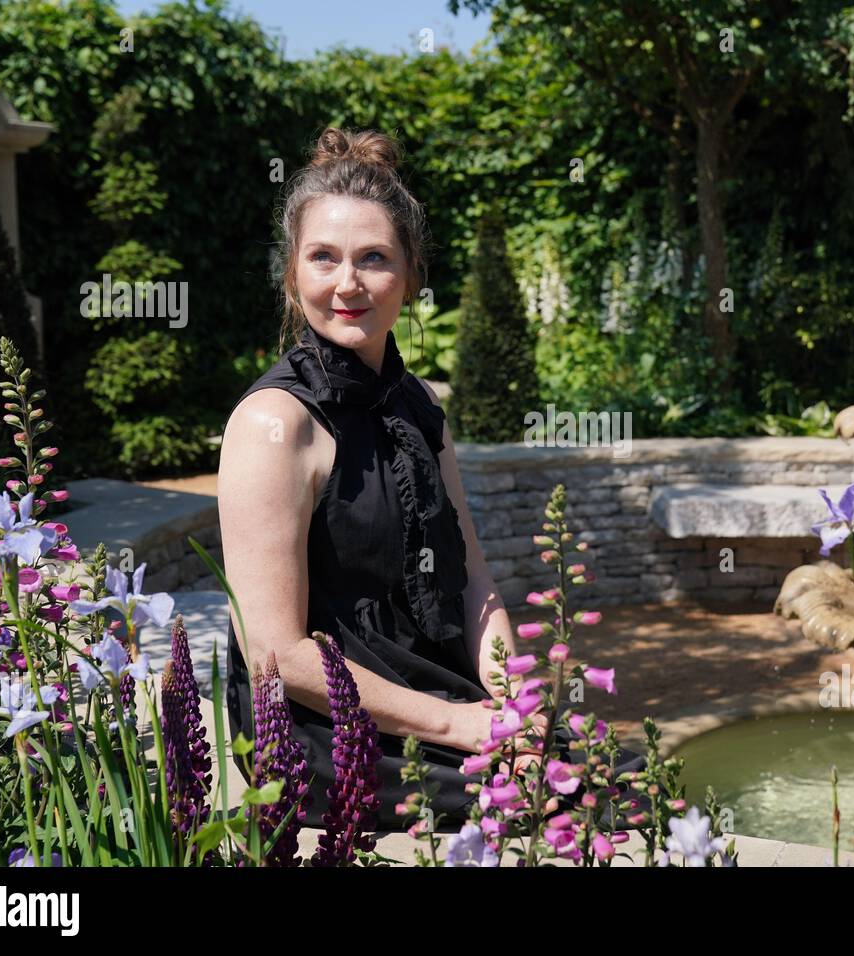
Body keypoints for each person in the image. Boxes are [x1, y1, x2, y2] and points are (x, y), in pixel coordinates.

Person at [219, 127, 646, 833]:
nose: (347, 283)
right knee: (579, 803)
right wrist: (460, 724)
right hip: (323, 730)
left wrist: (514, 704)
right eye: (323, 258)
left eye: (374, 259)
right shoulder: (274, 423)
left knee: (621, 775)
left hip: (422, 685)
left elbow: (474, 581)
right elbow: (276, 657)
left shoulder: (418, 406)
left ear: (411, 275)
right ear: (293, 275)